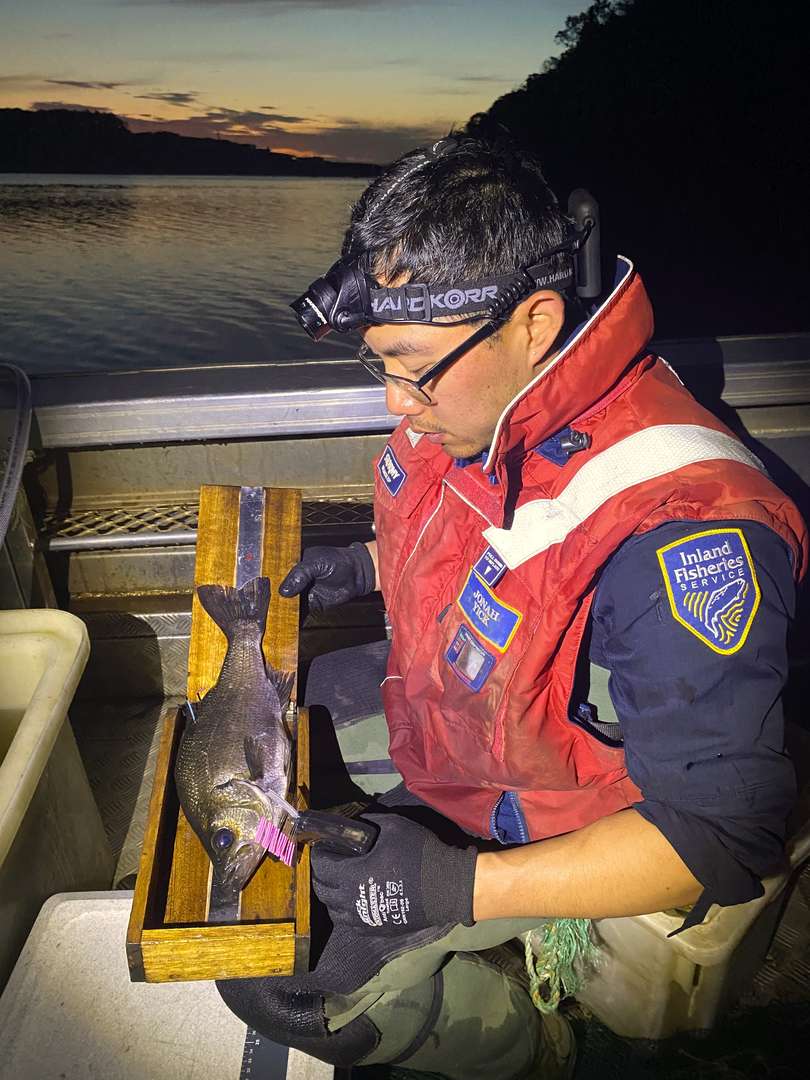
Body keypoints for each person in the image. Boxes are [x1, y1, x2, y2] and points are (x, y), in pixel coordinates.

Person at [217, 134, 808, 1079]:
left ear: (533, 324)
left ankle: (532, 1045)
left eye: (410, 367)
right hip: (461, 719)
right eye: (380, 366)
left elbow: (721, 836)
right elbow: (504, 538)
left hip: (567, 813)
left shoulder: (686, 534)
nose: (398, 403)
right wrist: (369, 565)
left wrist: (453, 884)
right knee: (296, 704)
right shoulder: (475, 401)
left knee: (285, 976)